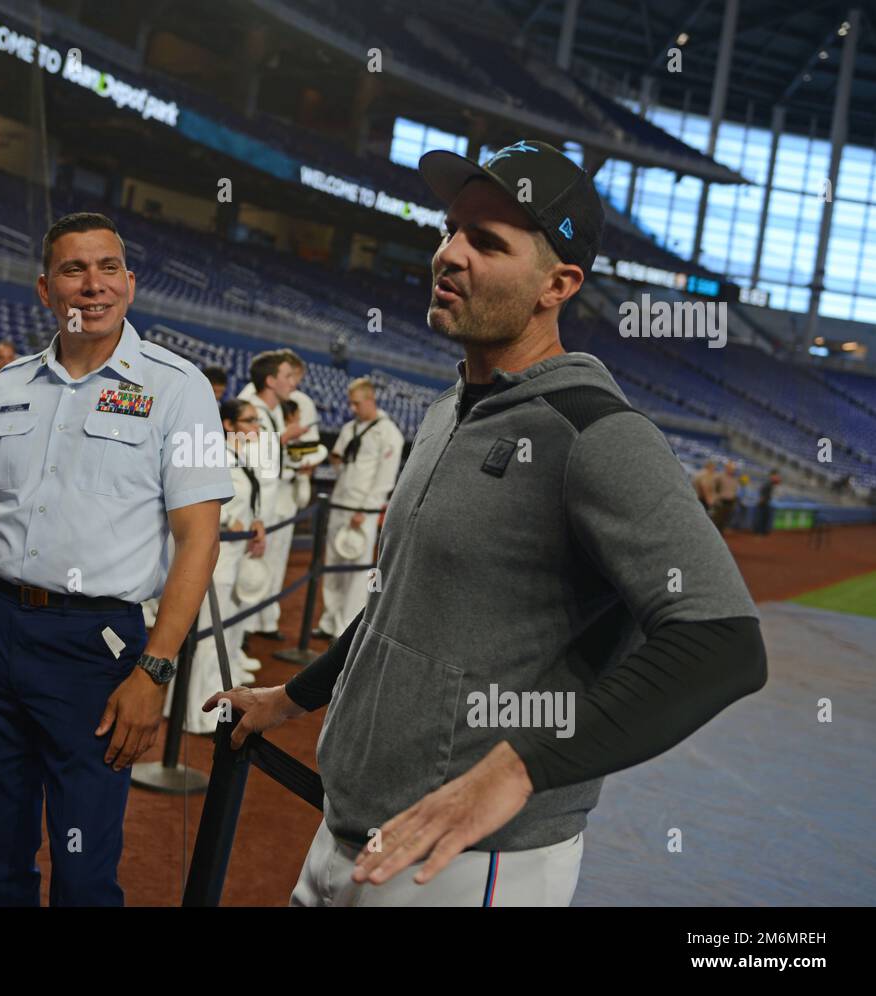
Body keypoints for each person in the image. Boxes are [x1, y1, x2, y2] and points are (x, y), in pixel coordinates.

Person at [208, 139, 766, 906]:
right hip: (350, 833)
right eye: (450, 230)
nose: (449, 254)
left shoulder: (597, 434)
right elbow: (397, 601)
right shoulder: (444, 409)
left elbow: (724, 642)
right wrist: (293, 699)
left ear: (557, 284)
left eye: (487, 242)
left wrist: (520, 768)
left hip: (472, 868)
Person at [0, 212, 232, 906]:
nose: (92, 284)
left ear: (130, 284)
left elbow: (199, 538)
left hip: (96, 649)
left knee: (83, 870)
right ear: (46, 288)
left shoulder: (178, 387)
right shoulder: (5, 389)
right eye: (74, 270)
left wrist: (155, 669)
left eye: (108, 268)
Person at [167, 398, 267, 734]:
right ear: (228, 424)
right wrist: (229, 521)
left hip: (233, 556)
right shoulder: (212, 455)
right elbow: (191, 503)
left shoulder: (239, 456)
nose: (256, 427)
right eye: (250, 420)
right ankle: (197, 713)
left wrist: (256, 522)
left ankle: (186, 706)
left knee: (216, 632)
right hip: (215, 556)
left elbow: (246, 498)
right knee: (208, 634)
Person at [313, 378, 403, 641]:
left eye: (356, 403)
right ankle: (329, 621)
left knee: (355, 568)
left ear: (370, 399)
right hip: (340, 502)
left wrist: (366, 508)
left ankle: (344, 628)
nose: (352, 408)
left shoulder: (389, 433)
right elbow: (338, 456)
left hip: (362, 510)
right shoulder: (350, 427)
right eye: (350, 403)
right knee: (332, 562)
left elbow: (385, 478)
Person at [236, 351, 297, 654]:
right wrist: (254, 517)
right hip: (249, 512)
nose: (293, 383)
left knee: (251, 575)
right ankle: (233, 646)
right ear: (271, 381)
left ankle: (238, 646)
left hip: (265, 509)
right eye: (288, 376)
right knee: (238, 580)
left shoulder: (270, 411)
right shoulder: (253, 412)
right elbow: (248, 469)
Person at [712, 461, 738, 533]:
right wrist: (716, 498)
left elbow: (734, 490)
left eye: (733, 469)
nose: (732, 470)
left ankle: (721, 533)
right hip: (721, 501)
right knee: (717, 519)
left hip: (731, 501)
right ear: (726, 468)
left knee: (725, 519)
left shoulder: (734, 479)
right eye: (731, 468)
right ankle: (714, 533)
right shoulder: (719, 476)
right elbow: (714, 487)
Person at [754, 470, 782, 535]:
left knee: (766, 518)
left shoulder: (773, 484)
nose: (777, 477)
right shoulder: (767, 483)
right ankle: (759, 531)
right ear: (772, 476)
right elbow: (762, 492)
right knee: (762, 517)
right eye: (775, 476)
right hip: (764, 502)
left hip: (768, 502)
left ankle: (763, 531)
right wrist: (762, 499)